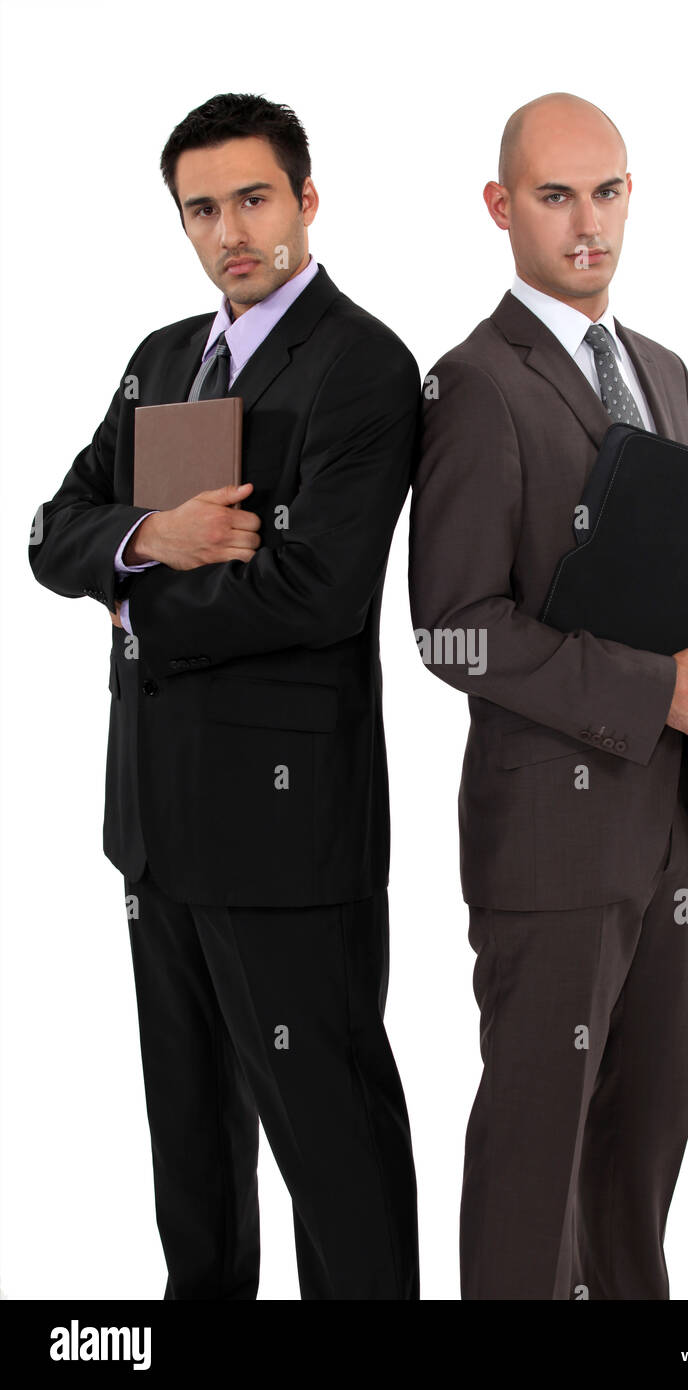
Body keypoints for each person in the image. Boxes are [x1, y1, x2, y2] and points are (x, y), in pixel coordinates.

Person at [29, 91, 419, 1301]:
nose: (229, 231)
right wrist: (158, 533)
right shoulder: (161, 359)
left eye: (253, 199)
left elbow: (316, 594)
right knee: (190, 1163)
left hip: (288, 840)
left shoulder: (362, 367)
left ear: (306, 201)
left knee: (332, 1154)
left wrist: (133, 595)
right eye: (202, 209)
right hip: (154, 825)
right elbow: (53, 532)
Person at [409, 91, 688, 1300]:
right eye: (555, 195)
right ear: (501, 208)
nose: (587, 222)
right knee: (533, 1164)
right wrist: (648, 687)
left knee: (635, 1167)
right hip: (551, 843)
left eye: (606, 191)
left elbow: (652, 581)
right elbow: (449, 630)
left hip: (684, 823)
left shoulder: (659, 369)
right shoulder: (471, 385)